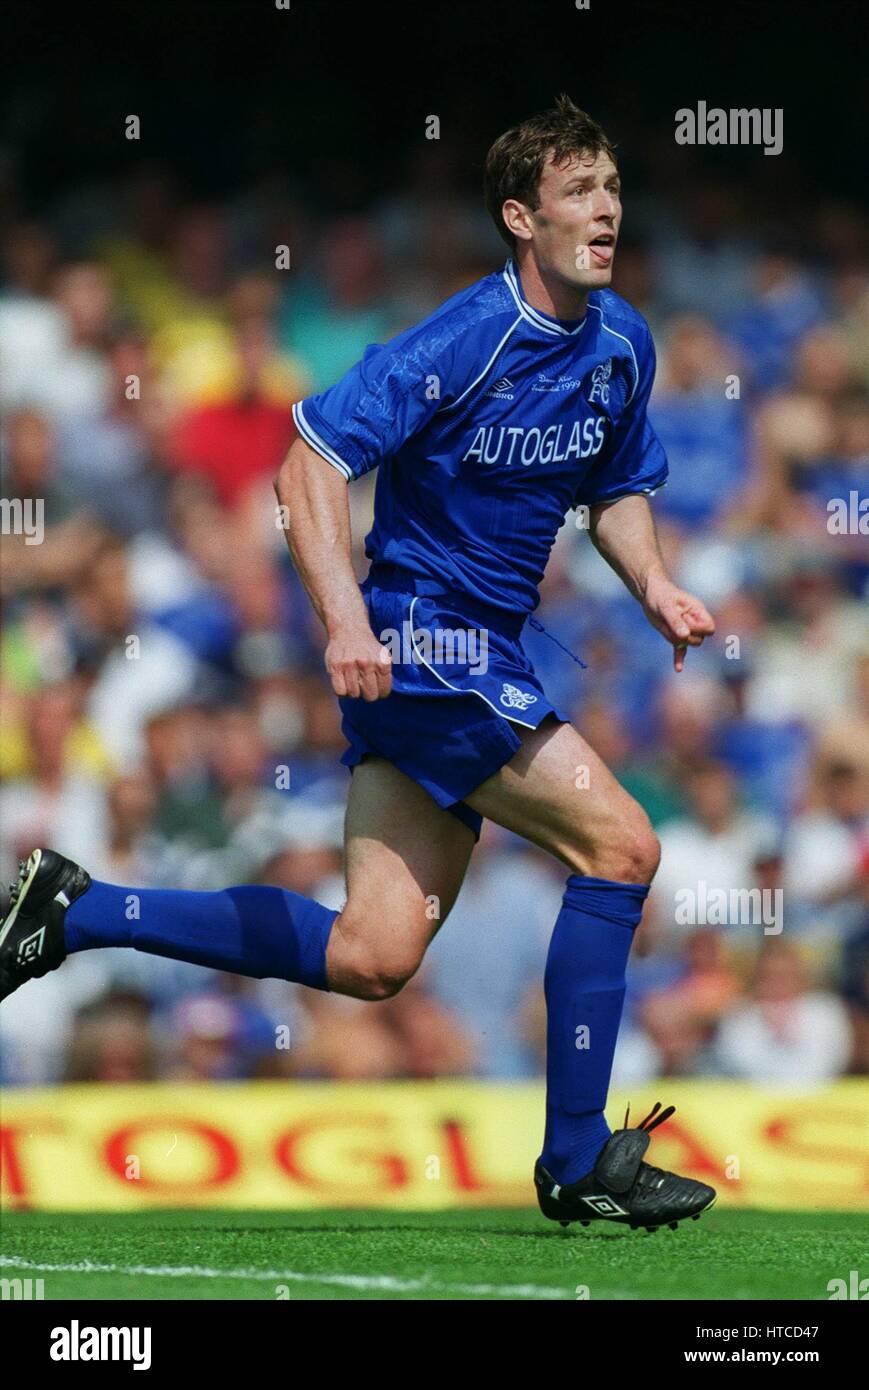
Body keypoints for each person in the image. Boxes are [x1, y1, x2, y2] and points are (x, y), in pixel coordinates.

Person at [1, 97, 717, 1233]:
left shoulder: (619, 343)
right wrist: (344, 620)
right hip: (426, 643)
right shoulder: (462, 338)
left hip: (475, 659)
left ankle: (78, 910)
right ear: (518, 218)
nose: (606, 212)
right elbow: (308, 464)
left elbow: (615, 486)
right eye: (580, 194)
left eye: (612, 192)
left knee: (371, 953)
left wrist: (656, 584)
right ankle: (578, 1160)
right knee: (622, 846)